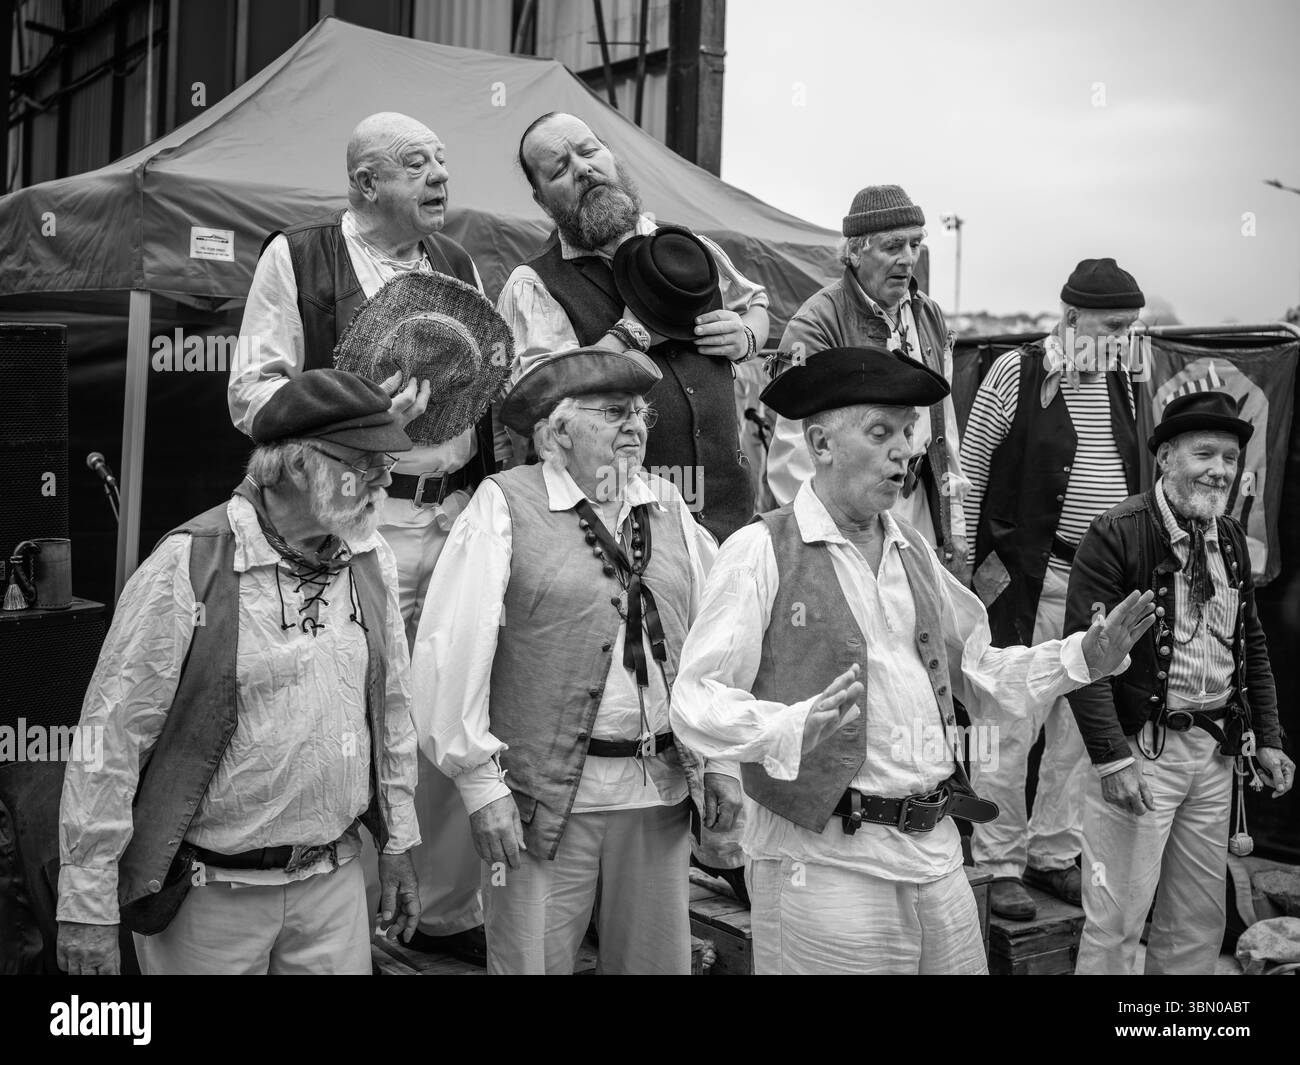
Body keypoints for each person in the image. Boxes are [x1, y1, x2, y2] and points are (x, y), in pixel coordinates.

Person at [670, 345, 1156, 974]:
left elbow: (979, 677)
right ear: (820, 444)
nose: (905, 450)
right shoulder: (759, 549)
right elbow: (697, 695)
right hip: (823, 866)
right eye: (881, 433)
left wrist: (1080, 658)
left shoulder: (915, 554)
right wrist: (787, 727)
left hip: (937, 852)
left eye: (908, 432)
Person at [227, 110, 490, 962]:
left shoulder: (457, 263)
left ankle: (439, 911)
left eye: (443, 160)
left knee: (443, 700)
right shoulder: (299, 256)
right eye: (417, 163)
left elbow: (480, 385)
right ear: (366, 183)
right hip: (343, 520)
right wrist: (359, 411)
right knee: (348, 699)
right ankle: (353, 908)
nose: (439, 174)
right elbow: (254, 394)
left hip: (447, 514)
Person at [56, 370, 421, 975]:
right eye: (367, 462)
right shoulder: (188, 563)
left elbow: (393, 711)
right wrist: (87, 907)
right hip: (208, 901)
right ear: (301, 466)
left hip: (333, 888)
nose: (385, 479)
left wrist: (401, 842)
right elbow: (109, 741)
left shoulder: (370, 557)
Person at [411, 347, 741, 974]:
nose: (637, 428)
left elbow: (710, 646)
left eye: (640, 413)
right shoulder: (502, 505)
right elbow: (451, 650)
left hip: (659, 793)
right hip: (542, 801)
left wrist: (719, 760)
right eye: (615, 413)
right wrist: (482, 789)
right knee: (533, 963)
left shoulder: (668, 505)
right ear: (558, 431)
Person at [1065, 391, 1294, 974]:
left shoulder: (1233, 539)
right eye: (1204, 454)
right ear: (1166, 457)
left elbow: (1253, 644)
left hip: (1216, 756)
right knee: (1117, 918)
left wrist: (1267, 736)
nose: (1220, 469)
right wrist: (1113, 760)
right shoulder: (1117, 532)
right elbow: (1083, 661)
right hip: (1144, 751)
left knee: (1196, 920)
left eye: (1230, 457)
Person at [959, 257, 1145, 919]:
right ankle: (999, 860)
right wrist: (962, 565)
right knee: (1009, 722)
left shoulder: (1127, 379)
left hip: (1099, 583)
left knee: (1075, 729)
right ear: (1069, 316)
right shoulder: (1017, 370)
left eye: (1130, 326)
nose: (1123, 338)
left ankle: (1052, 852)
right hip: (1025, 577)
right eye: (1112, 325)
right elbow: (970, 472)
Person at [498, 110, 770, 544]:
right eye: (560, 169)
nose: (583, 169)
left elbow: (755, 302)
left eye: (589, 152)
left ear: (611, 155)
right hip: (616, 530)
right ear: (541, 199)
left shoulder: (684, 246)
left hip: (729, 519)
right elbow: (541, 401)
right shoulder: (535, 284)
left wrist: (747, 335)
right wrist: (628, 334)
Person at [764, 186, 968, 578]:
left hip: (918, 503)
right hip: (849, 514)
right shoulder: (816, 324)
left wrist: (953, 523)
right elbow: (792, 455)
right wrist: (827, 545)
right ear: (856, 252)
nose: (908, 260)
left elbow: (946, 428)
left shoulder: (930, 316)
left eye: (914, 245)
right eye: (893, 246)